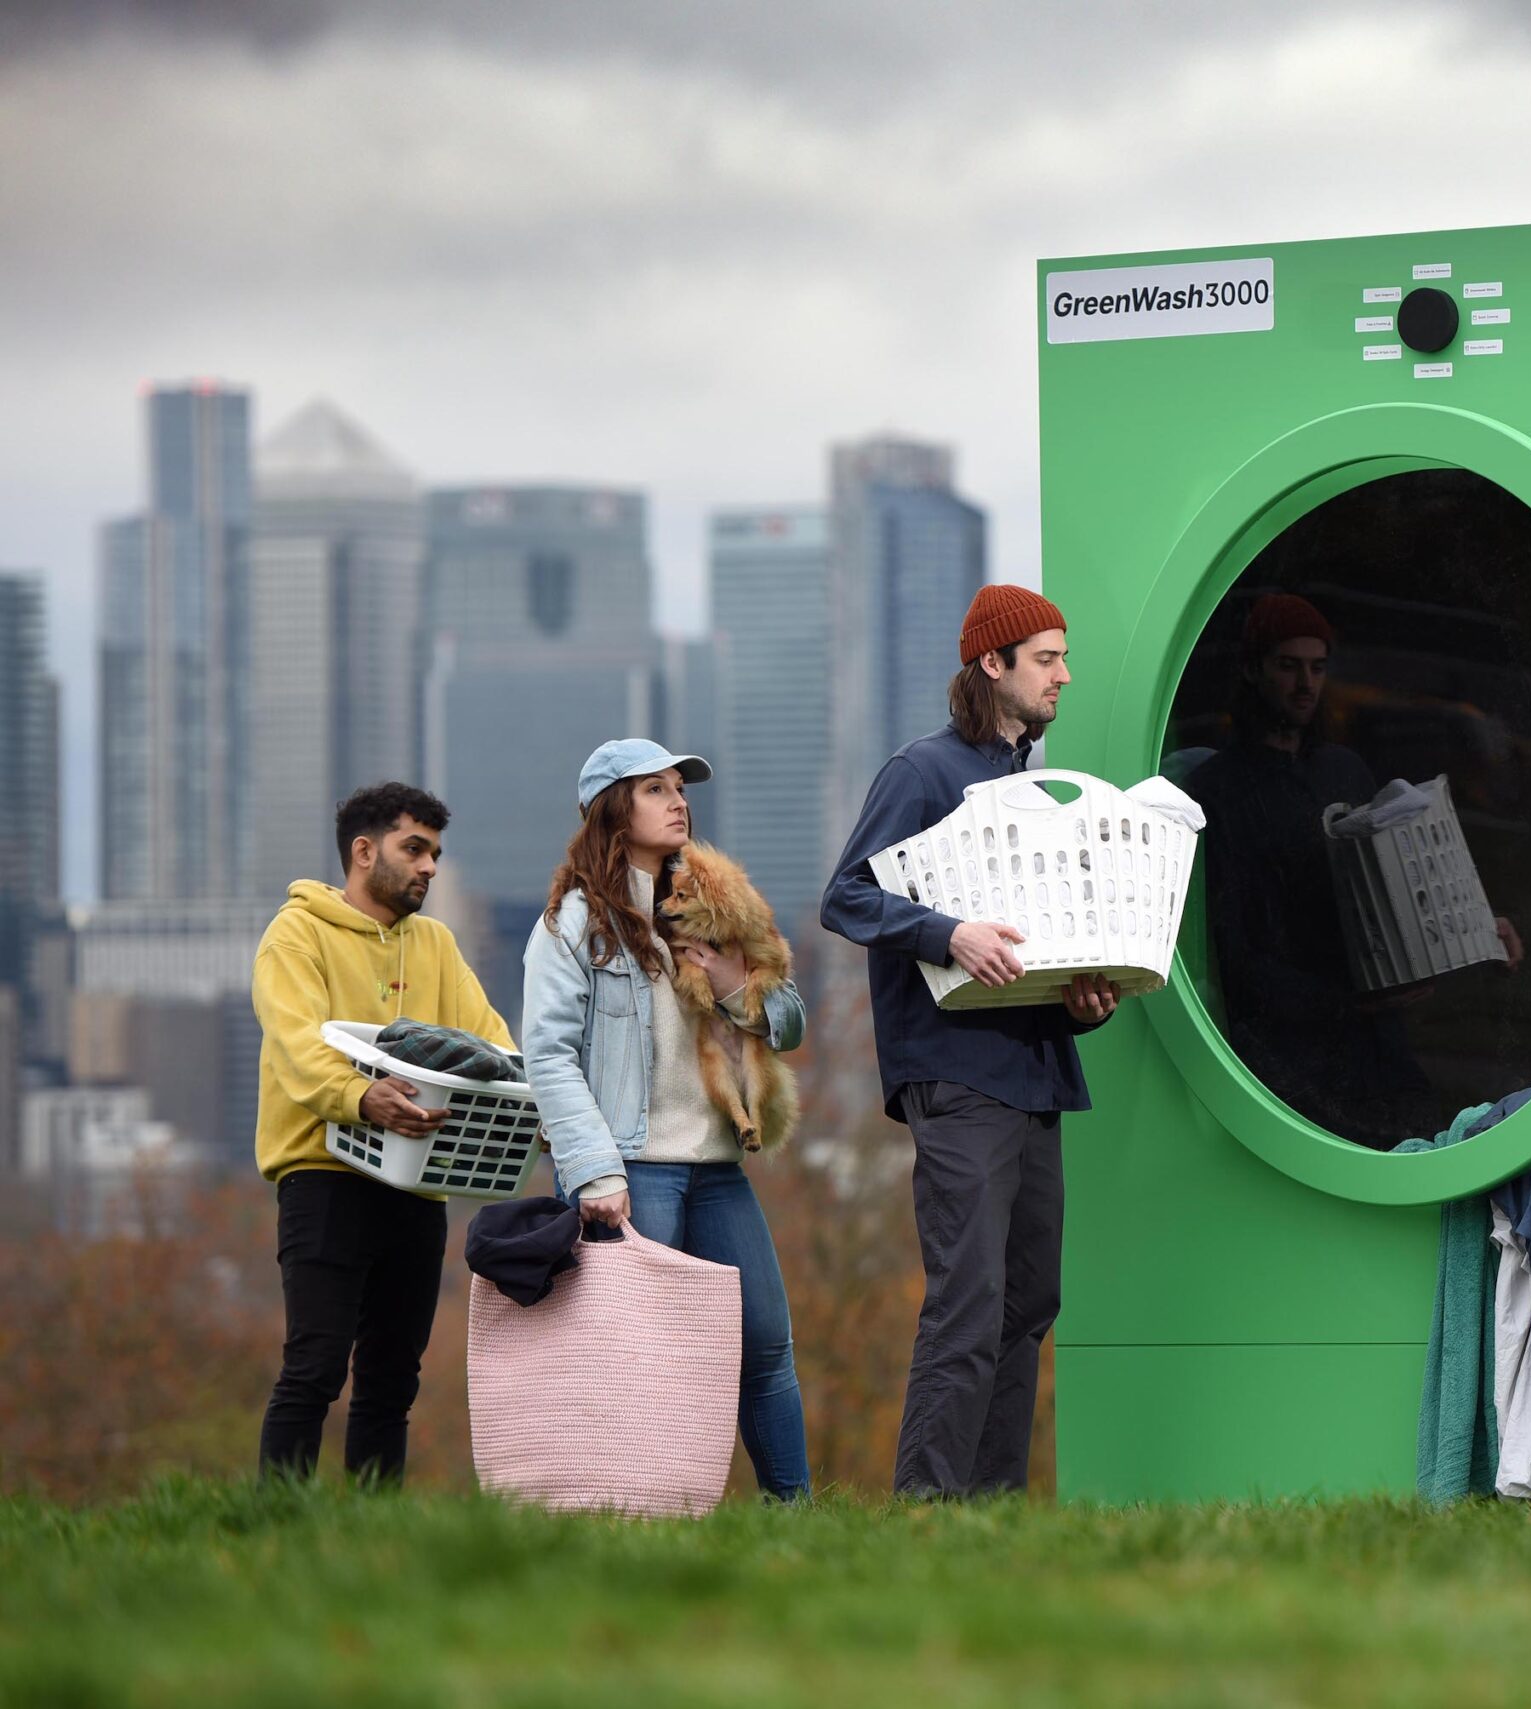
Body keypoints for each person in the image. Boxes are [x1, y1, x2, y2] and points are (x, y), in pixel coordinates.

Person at [821, 584, 1120, 1498]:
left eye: (1064, 657)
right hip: (956, 1078)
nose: (1065, 675)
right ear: (992, 665)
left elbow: (1034, 938)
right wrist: (947, 932)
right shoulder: (922, 772)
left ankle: (991, 1514)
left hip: (1036, 1071)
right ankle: (927, 1510)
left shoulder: (1034, 791)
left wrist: (1083, 997)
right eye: (1047, 658)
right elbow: (847, 897)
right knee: (969, 1301)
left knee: (1029, 1303)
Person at [520, 737, 812, 1501]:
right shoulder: (574, 921)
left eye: (681, 787)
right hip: (631, 1167)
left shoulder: (712, 905)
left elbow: (789, 1020)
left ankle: (800, 1518)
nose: (679, 800)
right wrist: (593, 1170)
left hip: (717, 1167)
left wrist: (730, 982)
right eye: (656, 789)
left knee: (765, 1346)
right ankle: (641, 1515)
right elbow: (546, 1055)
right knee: (643, 1358)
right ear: (615, 809)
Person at [252, 782, 517, 1483]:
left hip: (416, 1182)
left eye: (435, 852)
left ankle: (376, 1538)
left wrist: (535, 1107)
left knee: (392, 1382)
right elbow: (298, 1047)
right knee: (313, 1367)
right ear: (364, 852)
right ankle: (275, 1528)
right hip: (324, 1175)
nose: (430, 866)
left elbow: (491, 1041)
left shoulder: (434, 943)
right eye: (415, 848)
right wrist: (360, 1097)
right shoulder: (296, 933)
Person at [1182, 593, 1516, 1146]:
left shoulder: (1342, 769)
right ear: (1251, 670)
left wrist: (1479, 928)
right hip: (1282, 1062)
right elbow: (1231, 956)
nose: (1305, 684)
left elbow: (1401, 886)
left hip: (1377, 1045)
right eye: (1288, 666)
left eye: (1317, 667)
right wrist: (1347, 1003)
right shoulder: (1217, 791)